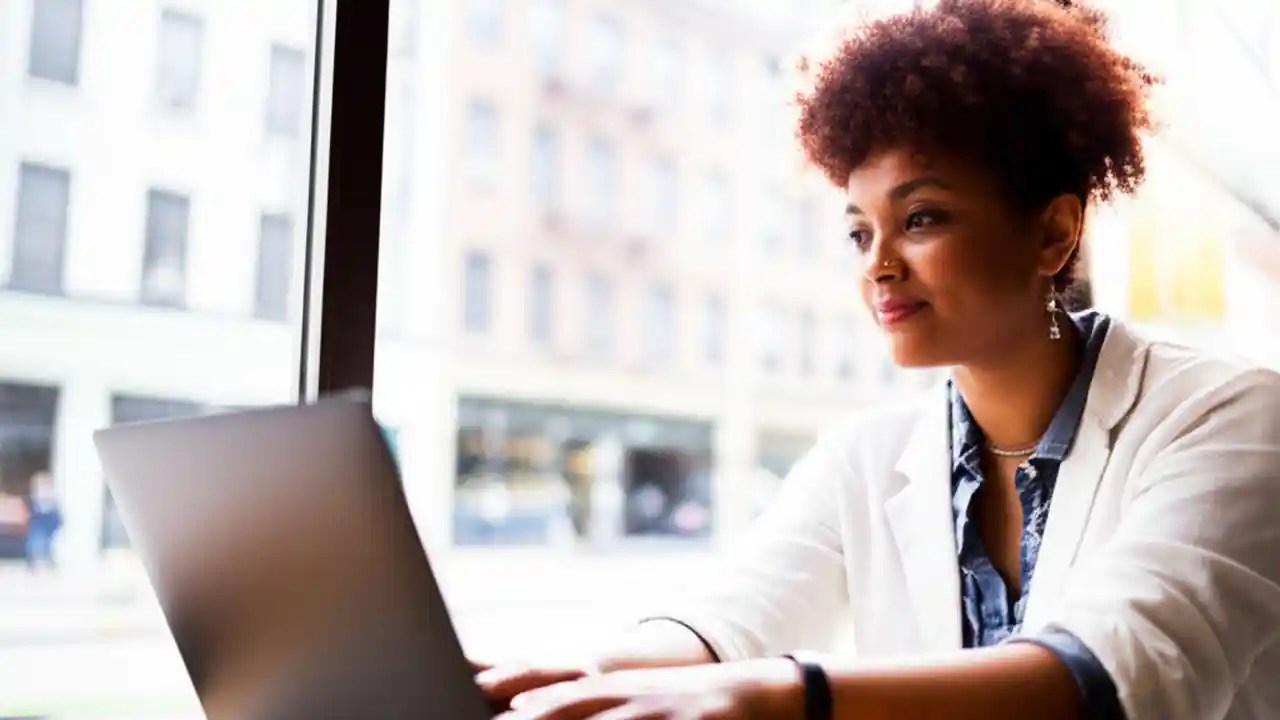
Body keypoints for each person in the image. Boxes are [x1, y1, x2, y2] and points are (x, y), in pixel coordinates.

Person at [475, 1, 1280, 718]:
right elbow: (727, 623)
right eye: (860, 232)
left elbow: (1104, 677)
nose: (877, 265)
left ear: (1053, 234)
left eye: (921, 217)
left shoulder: (1231, 416)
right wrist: (571, 677)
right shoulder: (865, 456)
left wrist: (791, 692)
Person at [25, 470, 62, 572]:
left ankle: (44, 564)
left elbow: (57, 522)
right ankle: (38, 563)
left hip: (49, 538)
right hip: (38, 539)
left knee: (46, 548)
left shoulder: (53, 508)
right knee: (37, 546)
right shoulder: (34, 507)